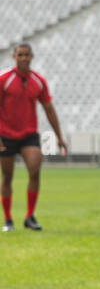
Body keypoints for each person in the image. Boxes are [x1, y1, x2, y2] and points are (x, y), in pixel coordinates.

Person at [0, 43, 67, 231]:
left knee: (35, 170)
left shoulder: (38, 81)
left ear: (32, 56)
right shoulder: (4, 79)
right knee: (7, 177)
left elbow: (49, 109)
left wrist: (59, 137)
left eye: (27, 55)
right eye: (20, 54)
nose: (23, 58)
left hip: (29, 134)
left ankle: (29, 216)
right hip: (5, 134)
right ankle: (8, 219)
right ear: (14, 57)